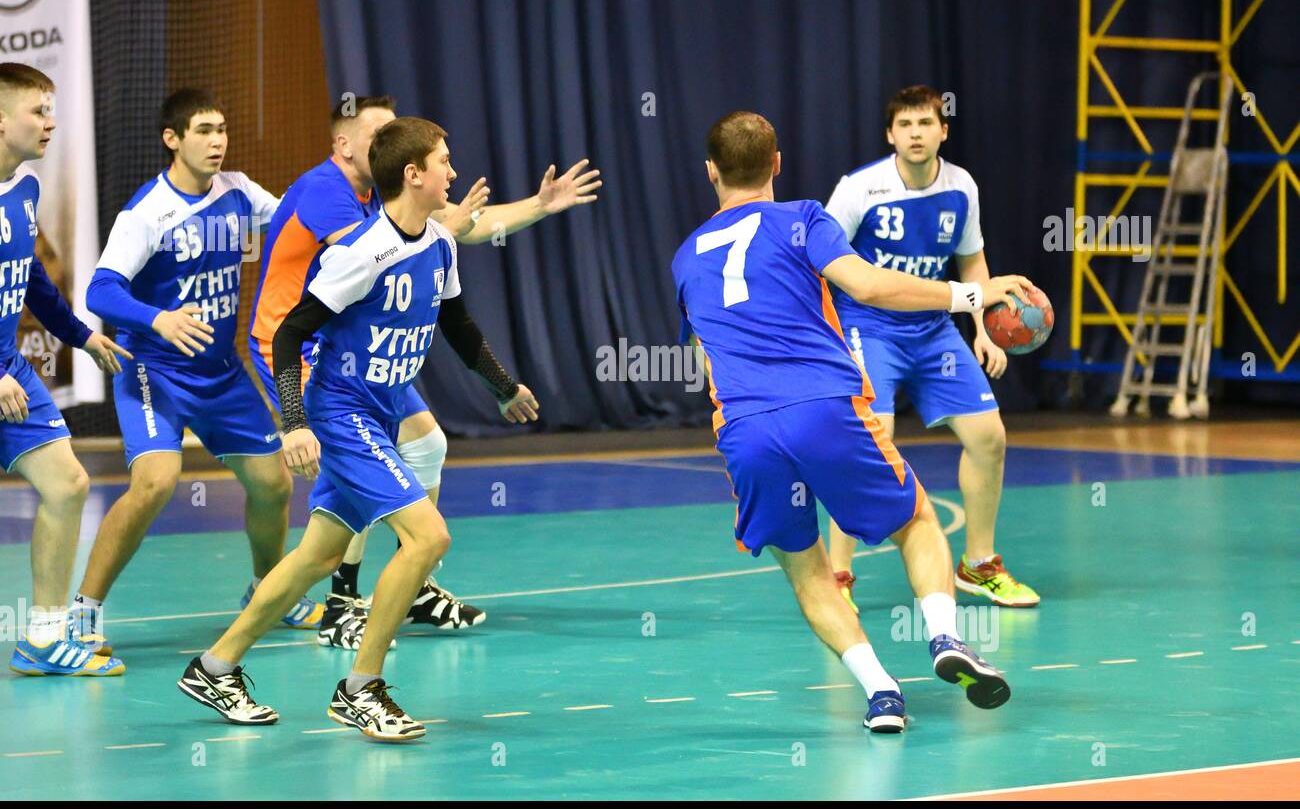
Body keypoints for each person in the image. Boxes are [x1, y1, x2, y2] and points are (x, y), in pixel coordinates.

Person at [179, 117, 537, 740]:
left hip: (381, 409)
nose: (453, 172)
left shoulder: (439, 243)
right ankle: (361, 689)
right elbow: (288, 334)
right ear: (413, 174)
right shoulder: (361, 252)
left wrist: (504, 388)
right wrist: (295, 423)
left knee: (317, 555)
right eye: (444, 162)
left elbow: (457, 326)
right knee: (427, 538)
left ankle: (213, 667)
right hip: (342, 412)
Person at [673, 111, 1029, 731]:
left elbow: (706, 353)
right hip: (823, 407)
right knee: (917, 521)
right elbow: (867, 286)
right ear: (777, 163)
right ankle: (946, 638)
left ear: (710, 172)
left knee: (809, 573)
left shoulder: (685, 257)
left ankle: (881, 694)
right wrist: (971, 294)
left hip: (745, 430)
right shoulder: (803, 218)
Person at [246, 94, 598, 648]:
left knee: (426, 448)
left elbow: (452, 230)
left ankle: (408, 584)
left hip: (368, 356)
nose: (390, 139)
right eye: (379, 134)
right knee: (370, 492)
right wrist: (295, 423)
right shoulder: (328, 194)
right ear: (345, 145)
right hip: (306, 349)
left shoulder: (383, 199)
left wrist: (538, 204)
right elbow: (389, 253)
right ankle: (346, 606)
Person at [72, 89, 316, 659]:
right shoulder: (147, 212)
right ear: (172, 139)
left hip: (220, 373)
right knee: (155, 483)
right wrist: (157, 318)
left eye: (222, 129)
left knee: (274, 484)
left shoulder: (238, 191)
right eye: (204, 131)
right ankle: (82, 613)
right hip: (154, 371)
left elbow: (298, 223)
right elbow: (99, 291)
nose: (217, 141)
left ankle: (266, 591)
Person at [825, 85, 1039, 610]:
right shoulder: (858, 189)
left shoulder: (961, 186)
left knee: (989, 437)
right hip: (868, 327)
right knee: (871, 441)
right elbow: (822, 260)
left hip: (932, 328)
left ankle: (979, 564)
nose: (915, 134)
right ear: (890, 135)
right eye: (905, 125)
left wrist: (983, 328)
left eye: (925, 123)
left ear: (944, 130)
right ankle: (837, 577)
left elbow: (972, 263)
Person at [0, 62, 129, 676]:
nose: (51, 123)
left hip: (10, 371)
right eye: (39, 111)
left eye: (52, 110)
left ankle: (43, 641)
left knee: (68, 485)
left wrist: (81, 336)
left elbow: (30, 279)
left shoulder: (24, 189)